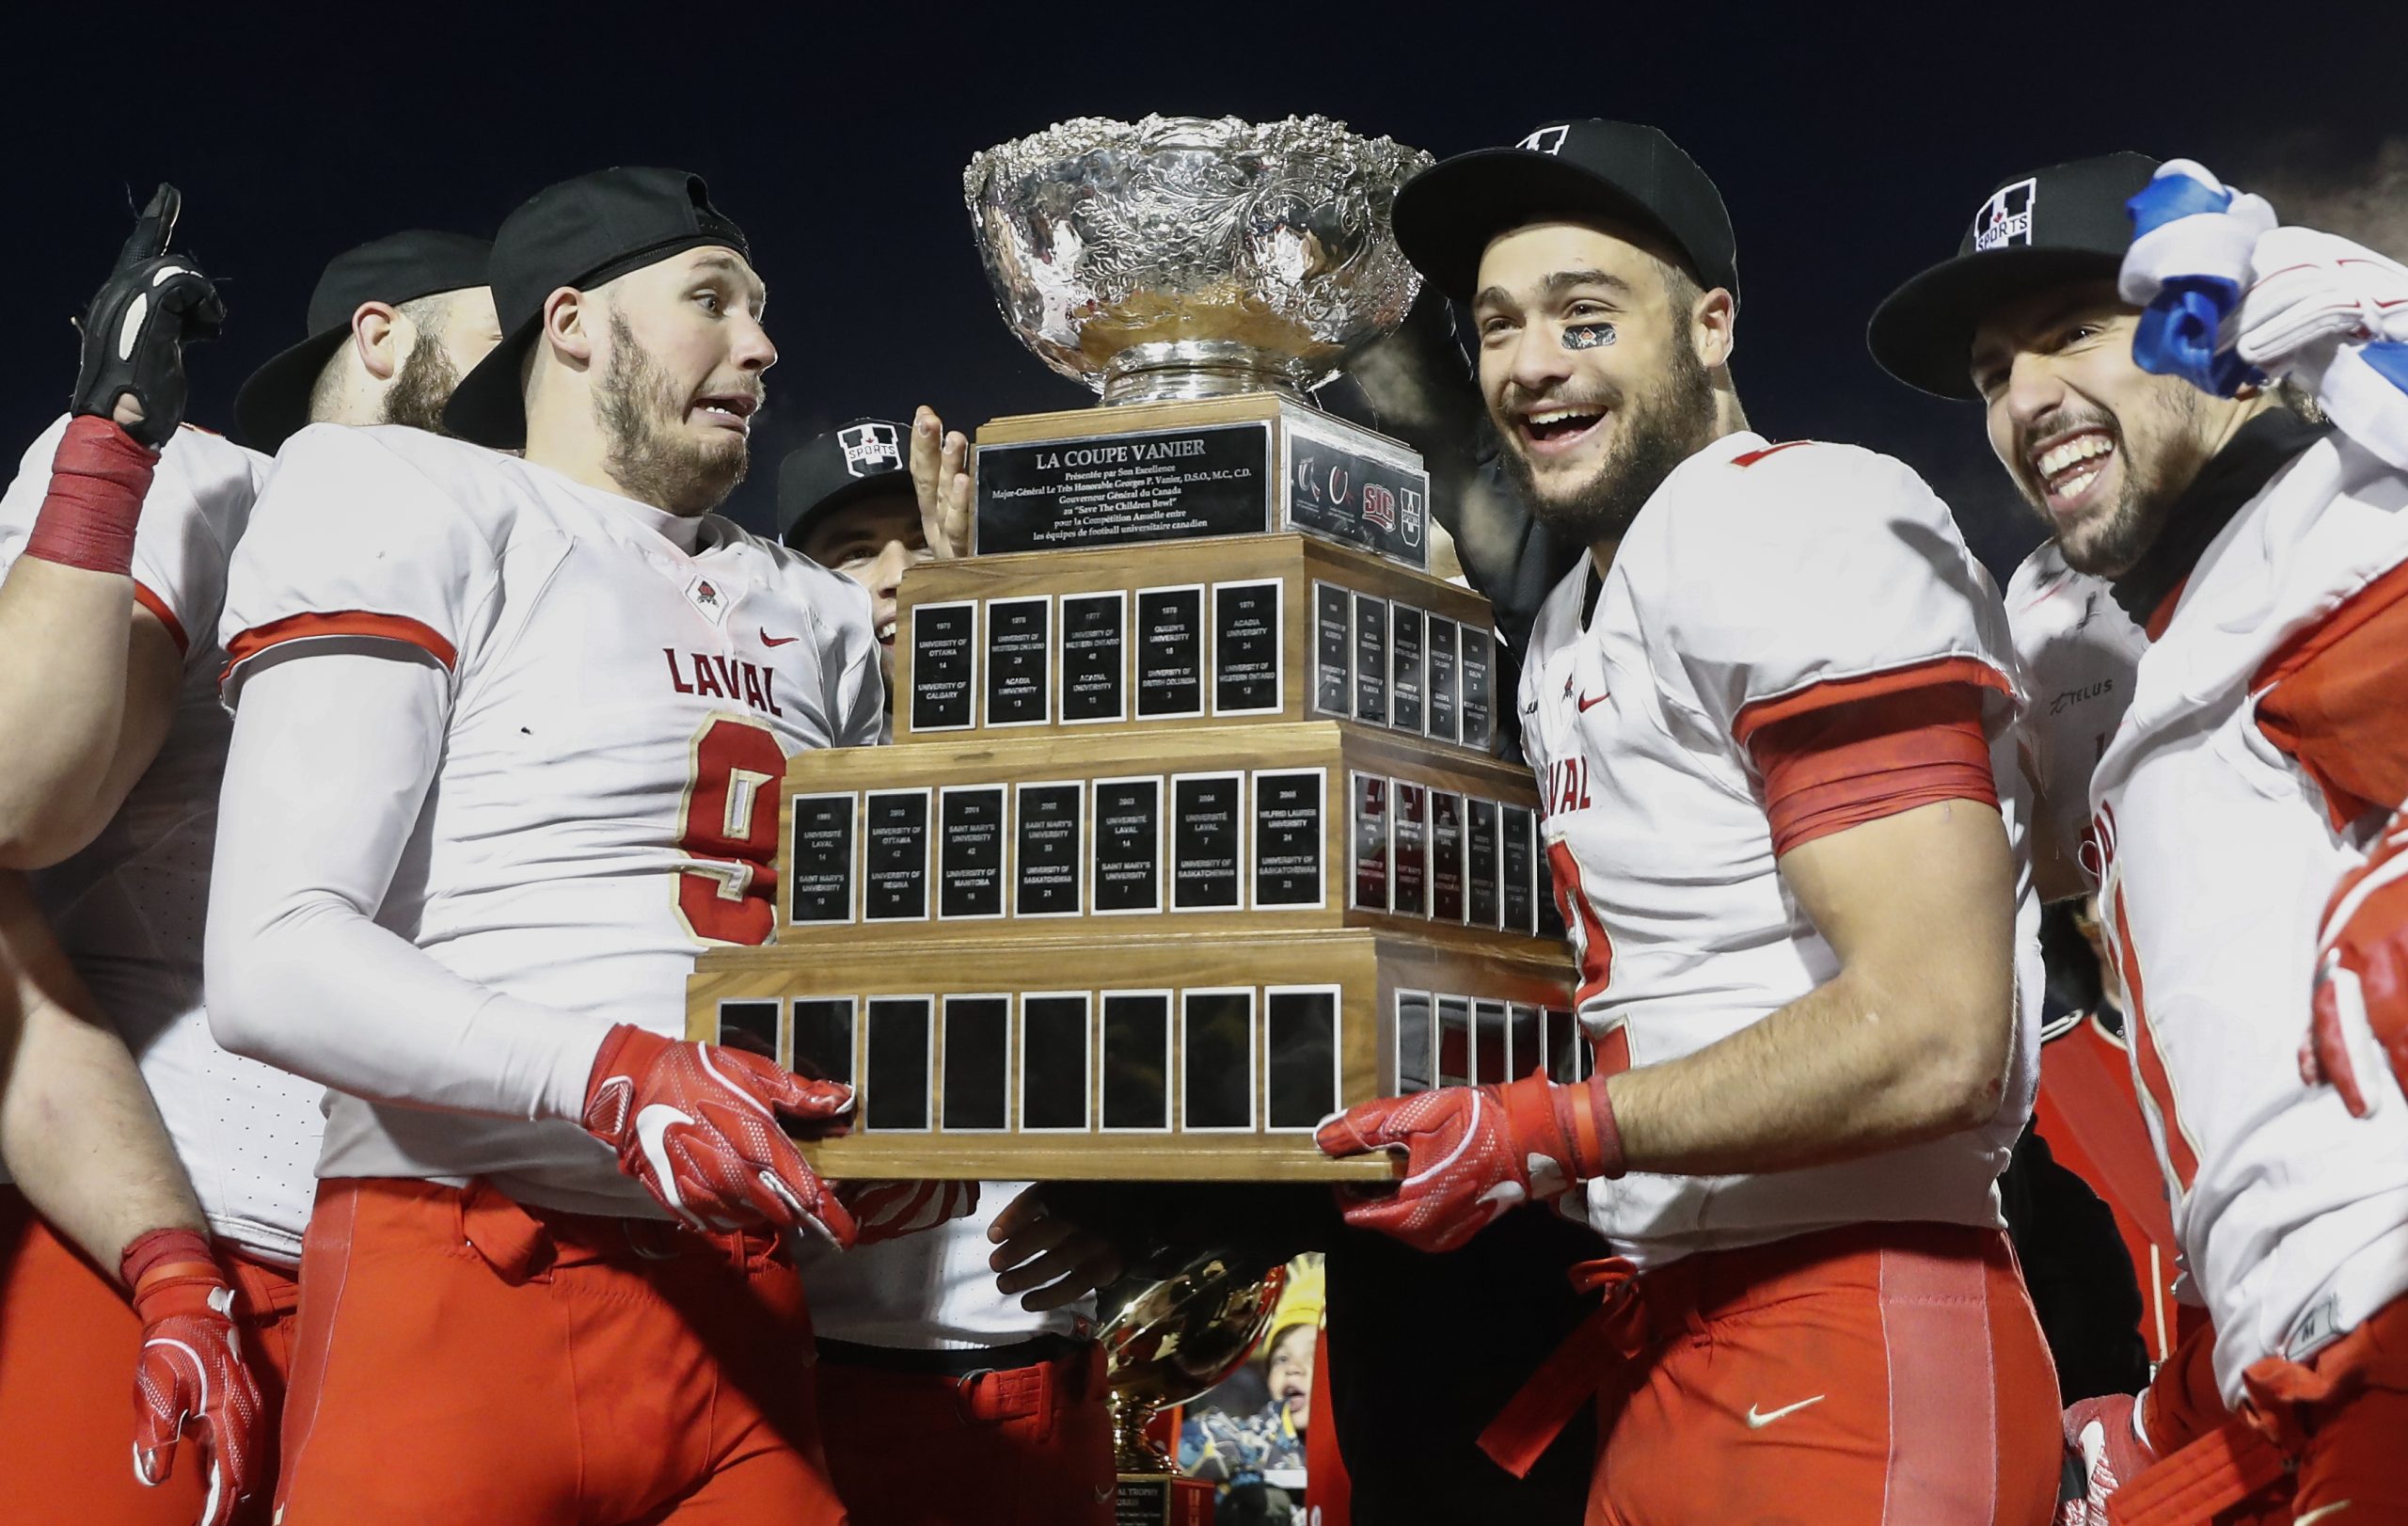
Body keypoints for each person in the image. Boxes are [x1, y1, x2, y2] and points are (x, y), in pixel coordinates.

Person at [1314, 119, 2059, 1523]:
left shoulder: (1795, 517)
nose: (1532, 361)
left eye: (1587, 315)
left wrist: (1559, 1128)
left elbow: (1937, 1027)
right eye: (1497, 326)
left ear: (1712, 326)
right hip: (1671, 1327)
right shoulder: (1571, 618)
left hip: (1852, 1313)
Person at [203, 167, 888, 1524]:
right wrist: (609, 1073)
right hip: (464, 1268)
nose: (760, 345)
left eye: (761, 311)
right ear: (571, 324)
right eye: (712, 301)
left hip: (741, 1303)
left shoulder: (816, 609)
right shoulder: (412, 493)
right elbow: (269, 957)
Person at [1870, 151, 2408, 1524]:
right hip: (2290, 1368)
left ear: (2201, 326)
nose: (2027, 398)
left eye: (2072, 333)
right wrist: (2170, 1417)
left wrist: (2387, 339)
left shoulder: (2342, 517)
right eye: (1995, 372)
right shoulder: (2136, 631)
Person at [0, 186, 493, 1526]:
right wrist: (115, 445)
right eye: (513, 330)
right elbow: (16, 798)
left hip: (421, 1269)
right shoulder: (216, 477)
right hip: (162, 1219)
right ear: (383, 337)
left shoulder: (525, 557)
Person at [777, 416, 1119, 1526]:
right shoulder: (746, 763)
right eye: (852, 548)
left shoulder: (1089, 759)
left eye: (920, 536)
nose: (895, 575)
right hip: (791, 1353)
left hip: (1022, 1351)